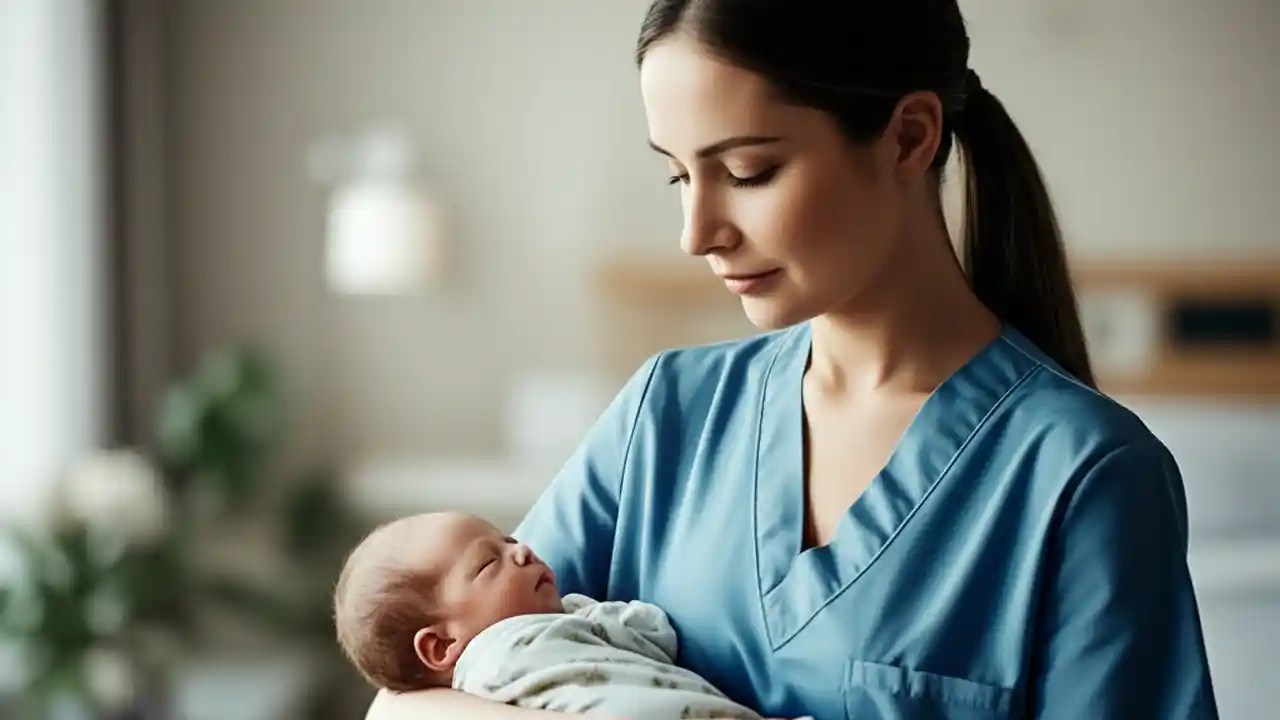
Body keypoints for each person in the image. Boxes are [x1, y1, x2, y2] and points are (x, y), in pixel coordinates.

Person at [367, 1, 1219, 718]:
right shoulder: (666, 416)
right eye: (678, 177)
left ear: (908, 137)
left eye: (747, 169)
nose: (697, 232)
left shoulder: (1085, 478)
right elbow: (411, 698)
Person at [335, 512, 766, 719]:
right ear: (441, 645)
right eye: (489, 563)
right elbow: (654, 632)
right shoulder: (519, 647)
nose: (521, 551)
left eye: (508, 541)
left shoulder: (473, 699)